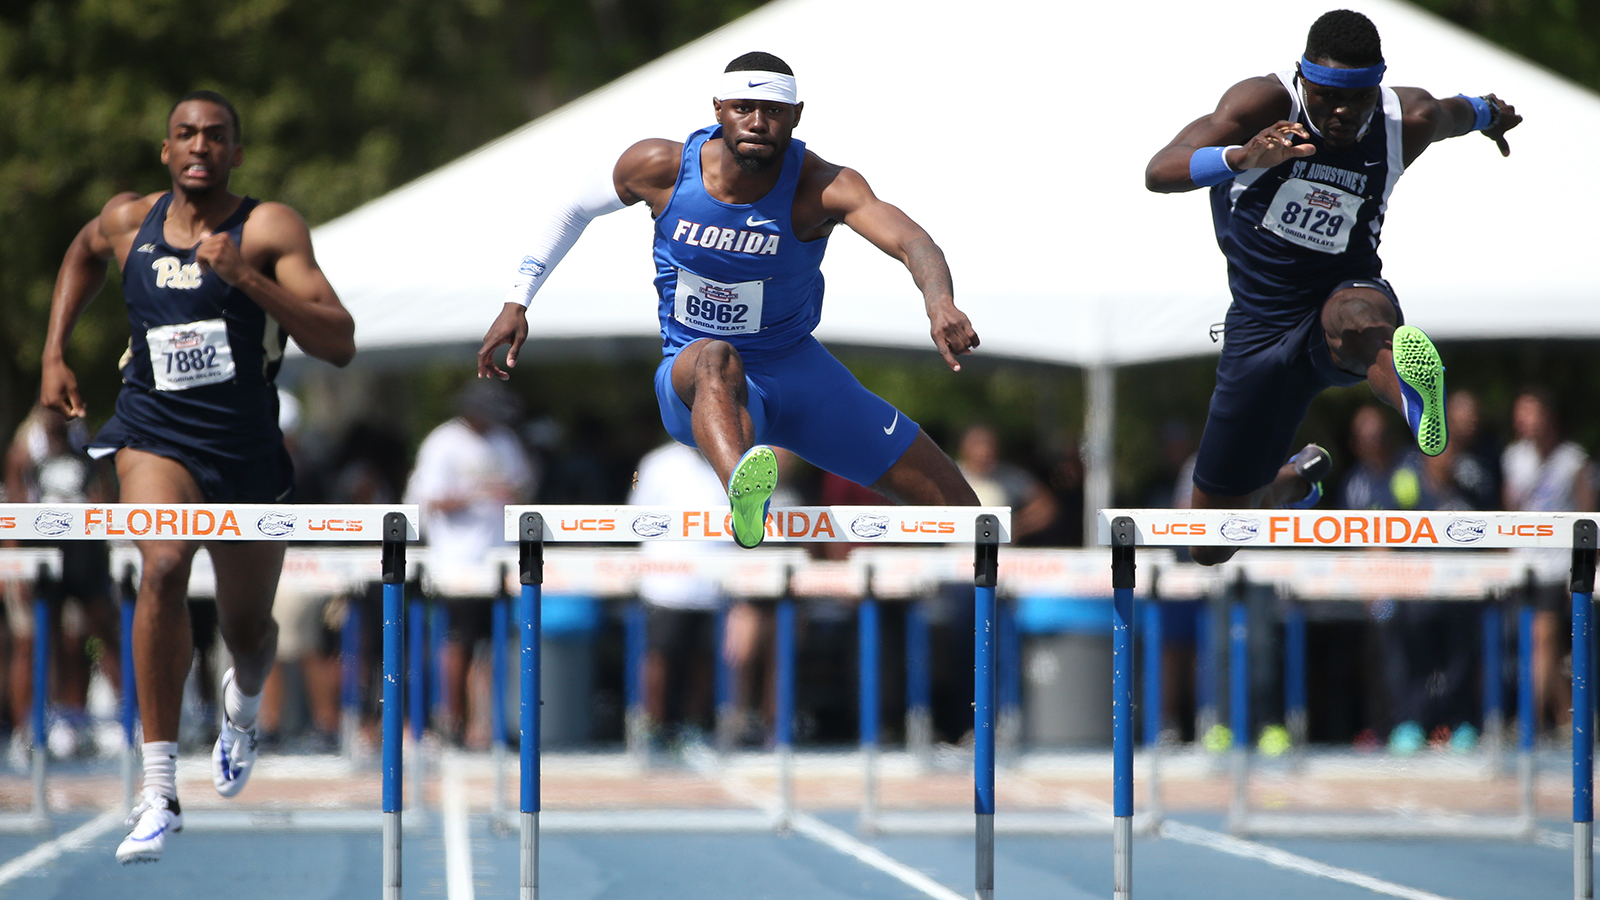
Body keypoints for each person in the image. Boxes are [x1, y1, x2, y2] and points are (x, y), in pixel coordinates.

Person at [479, 51, 980, 548]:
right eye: (744, 108)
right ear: (718, 108)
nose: (758, 123)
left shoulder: (823, 187)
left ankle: (988, 617)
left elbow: (912, 240)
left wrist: (940, 302)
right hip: (697, 378)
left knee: (969, 516)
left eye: (774, 112)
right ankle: (744, 491)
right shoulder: (662, 167)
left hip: (800, 375)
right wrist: (517, 300)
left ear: (796, 117)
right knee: (716, 355)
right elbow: (571, 208)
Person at [39, 90, 354, 863]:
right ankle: (158, 788)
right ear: (166, 150)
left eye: (216, 135)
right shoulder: (126, 221)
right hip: (153, 434)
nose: (200, 146)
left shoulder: (270, 227)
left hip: (247, 449)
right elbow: (80, 253)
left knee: (249, 631)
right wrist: (55, 351)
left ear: (235, 153)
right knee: (165, 563)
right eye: (186, 134)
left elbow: (339, 342)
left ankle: (241, 708)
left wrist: (246, 278)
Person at [1145, 9, 1522, 565]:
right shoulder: (1262, 106)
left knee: (1359, 317)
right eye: (1325, 97)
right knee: (1209, 542)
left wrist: (1492, 114)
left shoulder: (1404, 118)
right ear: (1302, 80)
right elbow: (1159, 170)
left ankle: (1417, 405)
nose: (1342, 113)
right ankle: (1287, 486)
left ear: (1378, 85)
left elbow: (1458, 111)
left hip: (1339, 295)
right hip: (1259, 327)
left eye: (1358, 98)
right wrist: (1241, 157)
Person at [404, 380, 536, 748]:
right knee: (455, 642)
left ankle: (488, 723)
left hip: (499, 557)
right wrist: (477, 494)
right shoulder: (442, 443)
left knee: (494, 645)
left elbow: (524, 485)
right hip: (457, 560)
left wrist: (509, 493)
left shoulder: (504, 440)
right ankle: (452, 718)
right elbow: (430, 500)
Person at [1501, 388, 1597, 740]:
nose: (1523, 421)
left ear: (1547, 417)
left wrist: (1583, 574)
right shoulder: (1514, 457)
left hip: (1558, 567)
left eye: (1530, 413)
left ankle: (1527, 720)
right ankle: (1565, 716)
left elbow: (1589, 519)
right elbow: (1508, 514)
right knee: (1543, 647)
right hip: (1524, 564)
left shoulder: (1573, 461)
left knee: (1542, 639)